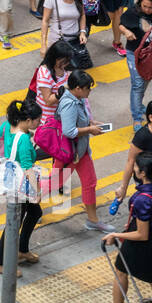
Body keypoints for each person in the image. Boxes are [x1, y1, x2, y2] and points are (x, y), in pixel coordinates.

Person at [94, 152, 152, 303]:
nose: (133, 168)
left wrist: (115, 234)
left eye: (136, 166)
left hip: (142, 244)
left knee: (121, 271)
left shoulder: (143, 200)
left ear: (143, 173)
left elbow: (142, 234)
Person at [55, 70, 114, 231]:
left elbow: (80, 120)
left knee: (90, 182)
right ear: (78, 88)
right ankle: (27, 206)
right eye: (88, 88)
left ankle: (93, 220)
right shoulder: (69, 104)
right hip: (69, 153)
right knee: (52, 184)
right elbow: (69, 131)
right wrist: (89, 129)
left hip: (80, 151)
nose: (90, 90)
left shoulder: (78, 99)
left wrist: (92, 123)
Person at [0, 99, 44, 272]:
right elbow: (28, 168)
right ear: (28, 120)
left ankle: (22, 249)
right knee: (14, 222)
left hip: (11, 177)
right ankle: (0, 263)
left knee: (34, 212)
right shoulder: (23, 140)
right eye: (37, 120)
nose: (39, 123)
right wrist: (37, 192)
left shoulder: (7, 125)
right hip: (19, 185)